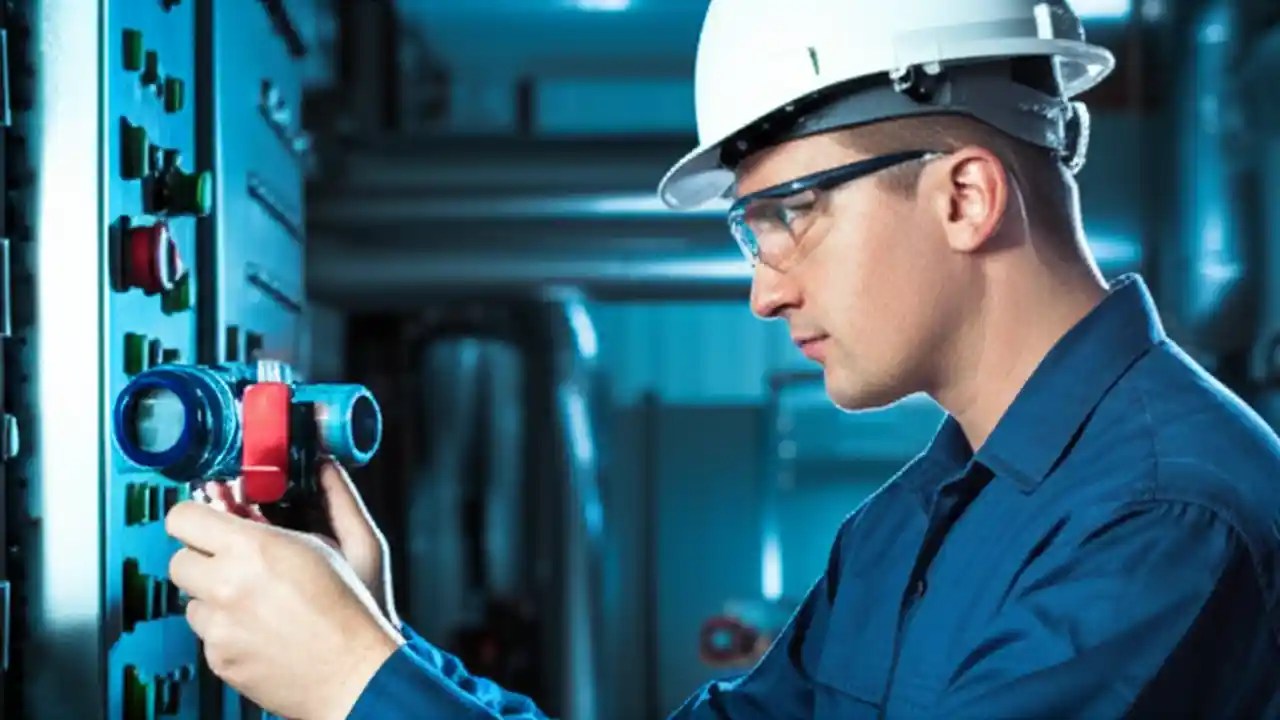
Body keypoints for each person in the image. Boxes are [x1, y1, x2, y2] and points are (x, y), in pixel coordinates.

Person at [164, 0, 1280, 717]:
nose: (763, 289)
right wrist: (380, 650)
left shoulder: (1164, 523)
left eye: (790, 215)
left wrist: (362, 690)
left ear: (963, 196)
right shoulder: (922, 514)